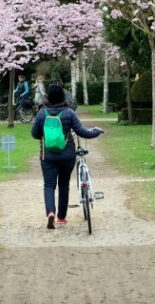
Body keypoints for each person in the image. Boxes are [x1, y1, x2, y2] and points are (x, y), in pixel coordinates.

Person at [31, 84, 103, 229]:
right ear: (63, 96)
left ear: (48, 96)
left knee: (49, 185)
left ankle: (50, 212)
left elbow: (34, 134)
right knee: (64, 185)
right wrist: (96, 131)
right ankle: (61, 217)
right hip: (67, 155)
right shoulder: (69, 113)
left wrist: (46, 134)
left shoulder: (42, 113)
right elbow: (82, 132)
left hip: (47, 156)